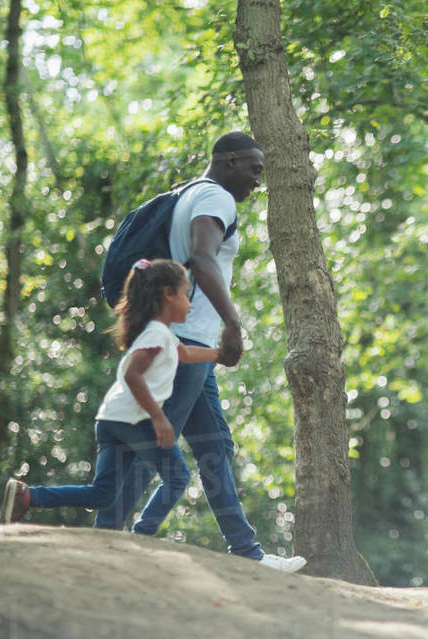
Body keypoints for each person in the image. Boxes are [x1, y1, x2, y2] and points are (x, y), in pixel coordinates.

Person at [94, 131, 305, 573]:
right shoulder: (216, 200)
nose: (257, 180)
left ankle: (247, 554)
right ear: (230, 161)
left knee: (215, 445)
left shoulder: (187, 192)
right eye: (253, 169)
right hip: (182, 341)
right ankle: (106, 542)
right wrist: (233, 324)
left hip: (188, 341)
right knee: (154, 441)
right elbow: (204, 258)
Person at [1, 260, 205, 534]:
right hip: (136, 419)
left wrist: (220, 355)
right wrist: (159, 418)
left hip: (112, 419)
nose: (189, 303)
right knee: (178, 475)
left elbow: (188, 354)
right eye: (185, 293)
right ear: (168, 294)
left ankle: (28, 496)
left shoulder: (161, 334)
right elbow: (133, 375)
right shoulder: (157, 334)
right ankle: (142, 533)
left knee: (103, 494)